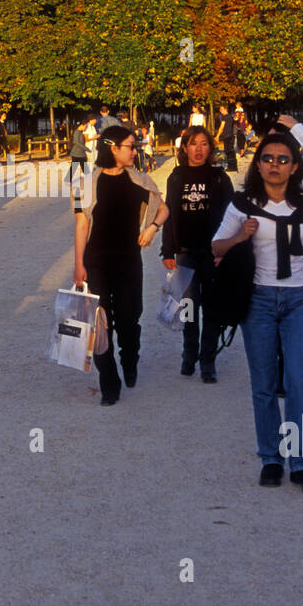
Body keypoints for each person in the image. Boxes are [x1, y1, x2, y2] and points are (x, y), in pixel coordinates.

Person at [211, 132, 303, 494]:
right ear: (258, 163)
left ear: (294, 167)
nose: (274, 165)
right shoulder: (242, 204)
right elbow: (216, 245)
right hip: (259, 298)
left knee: (300, 382)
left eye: (283, 159)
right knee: (264, 383)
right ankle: (270, 457)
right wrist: (240, 237)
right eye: (267, 158)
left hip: (300, 298)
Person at [72, 126, 168, 406]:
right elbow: (81, 224)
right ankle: (109, 384)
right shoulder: (85, 184)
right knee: (100, 325)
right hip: (96, 262)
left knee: (129, 319)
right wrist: (78, 264)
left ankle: (130, 360)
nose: (135, 151)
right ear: (113, 148)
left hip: (128, 262)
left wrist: (151, 228)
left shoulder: (140, 180)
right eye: (131, 146)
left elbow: (163, 208)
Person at [162, 126, 234, 382]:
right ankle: (189, 353)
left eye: (204, 144)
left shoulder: (219, 177)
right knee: (189, 308)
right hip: (186, 252)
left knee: (212, 308)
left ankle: (208, 361)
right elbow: (169, 213)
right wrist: (167, 249)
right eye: (193, 144)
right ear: (184, 148)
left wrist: (227, 249)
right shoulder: (176, 176)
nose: (199, 149)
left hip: (213, 253)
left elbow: (232, 215)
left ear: (211, 148)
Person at [68, 115, 90, 182]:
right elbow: (76, 142)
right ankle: (69, 180)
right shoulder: (77, 132)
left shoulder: (80, 133)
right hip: (77, 153)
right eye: (85, 126)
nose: (85, 128)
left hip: (81, 153)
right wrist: (86, 148)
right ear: (81, 125)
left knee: (83, 167)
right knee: (75, 168)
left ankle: (89, 180)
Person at [216, 104, 237, 172]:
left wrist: (217, 136)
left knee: (228, 151)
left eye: (221, 109)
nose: (220, 110)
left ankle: (232, 167)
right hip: (231, 136)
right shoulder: (231, 117)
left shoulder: (224, 117)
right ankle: (232, 166)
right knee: (230, 151)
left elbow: (222, 127)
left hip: (227, 136)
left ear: (225, 109)